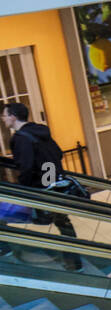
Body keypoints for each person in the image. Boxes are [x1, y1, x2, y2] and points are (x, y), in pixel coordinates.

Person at [2, 101, 82, 271]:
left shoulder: (20, 139)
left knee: (3, 215)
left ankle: (6, 255)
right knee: (63, 222)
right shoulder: (40, 131)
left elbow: (26, 167)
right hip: (54, 186)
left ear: (13, 117)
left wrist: (22, 190)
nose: (3, 119)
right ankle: (75, 262)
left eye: (4, 115)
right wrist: (48, 178)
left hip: (39, 190)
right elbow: (58, 154)